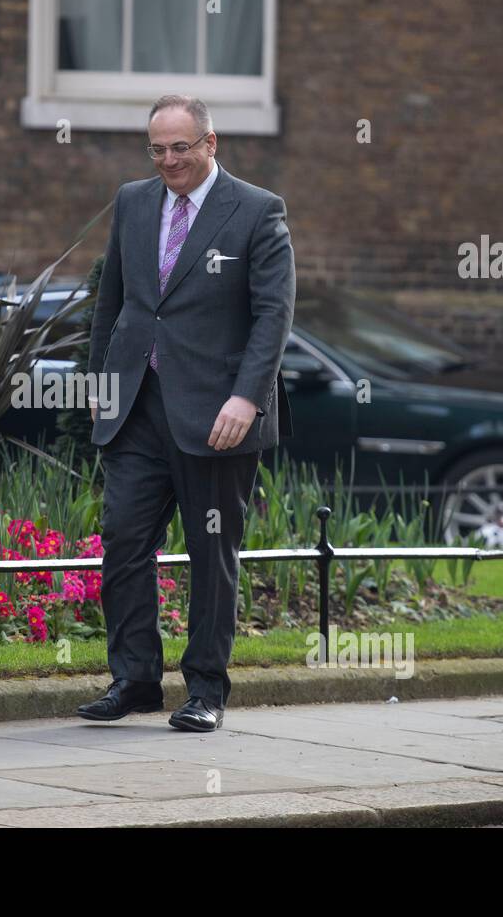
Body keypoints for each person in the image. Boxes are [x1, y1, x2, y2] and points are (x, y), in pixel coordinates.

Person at [77, 94, 296, 732]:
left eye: (181, 147)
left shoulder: (258, 211)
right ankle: (136, 680)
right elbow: (110, 299)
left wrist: (247, 397)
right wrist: (101, 379)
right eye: (158, 149)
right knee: (122, 541)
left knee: (210, 552)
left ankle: (205, 690)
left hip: (216, 416)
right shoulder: (134, 201)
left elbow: (272, 316)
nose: (169, 160)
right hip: (138, 408)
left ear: (210, 142)